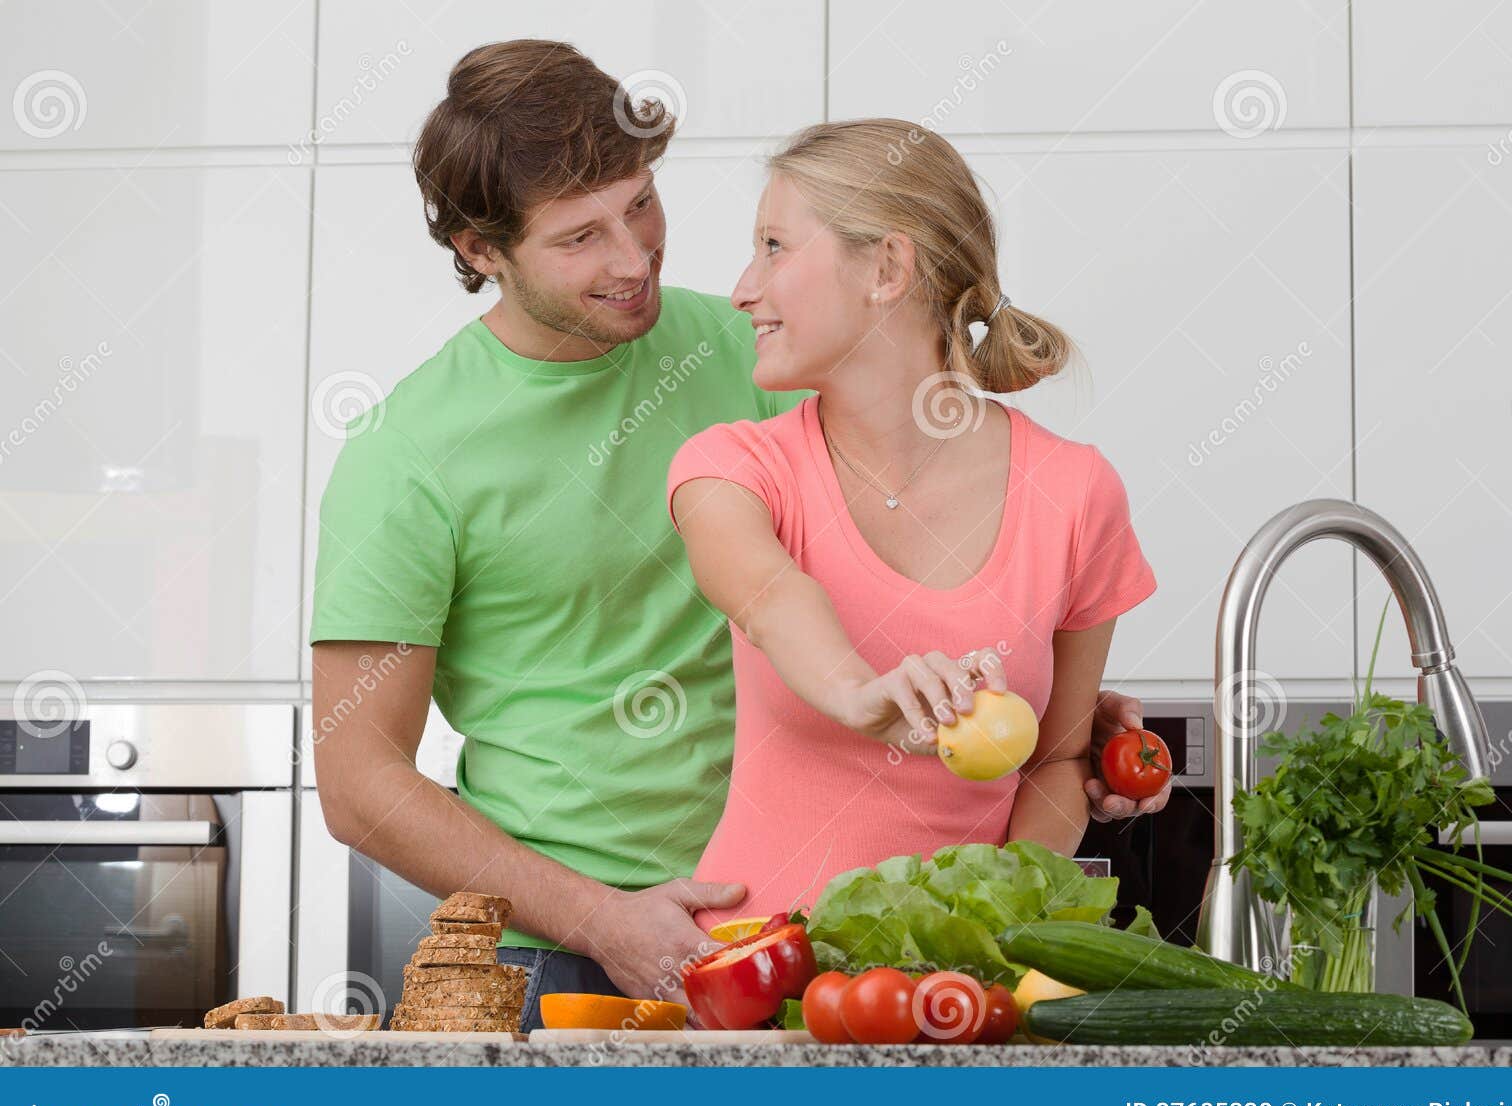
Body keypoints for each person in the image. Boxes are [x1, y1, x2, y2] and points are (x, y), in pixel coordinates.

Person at [309, 41, 1167, 1031]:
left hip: (807, 932)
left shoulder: (755, 346)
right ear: (479, 249)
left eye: (640, 204)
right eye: (580, 236)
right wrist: (601, 916)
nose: (632, 262)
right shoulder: (408, 453)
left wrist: (1043, 699)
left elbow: (913, 529)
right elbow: (357, 780)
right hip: (567, 949)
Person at [669, 120, 1160, 926]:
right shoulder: (731, 469)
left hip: (960, 997)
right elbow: (765, 593)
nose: (743, 288)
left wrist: (995, 931)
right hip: (749, 983)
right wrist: (860, 695)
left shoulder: (1076, 493)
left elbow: (1060, 758)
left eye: (774, 247)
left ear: (887, 268)